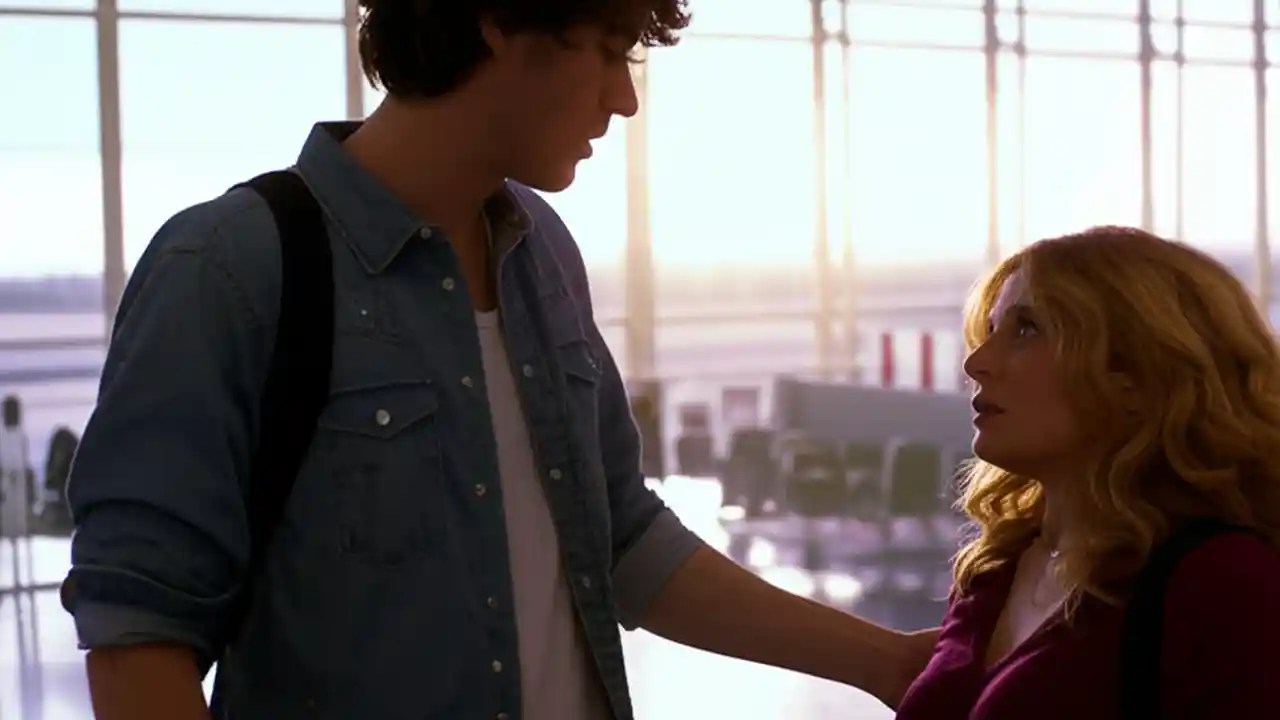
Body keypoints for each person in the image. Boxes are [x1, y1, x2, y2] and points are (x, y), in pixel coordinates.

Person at [61, 2, 936, 719]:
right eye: (604, 50)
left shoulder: (540, 252)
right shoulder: (229, 268)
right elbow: (140, 643)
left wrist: (889, 664)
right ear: (494, 19)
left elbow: (619, 538)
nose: (623, 101)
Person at [896, 226, 1280, 719]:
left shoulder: (1225, 583)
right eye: (991, 331)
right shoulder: (994, 570)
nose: (975, 362)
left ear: (1138, 378)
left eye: (1026, 329)